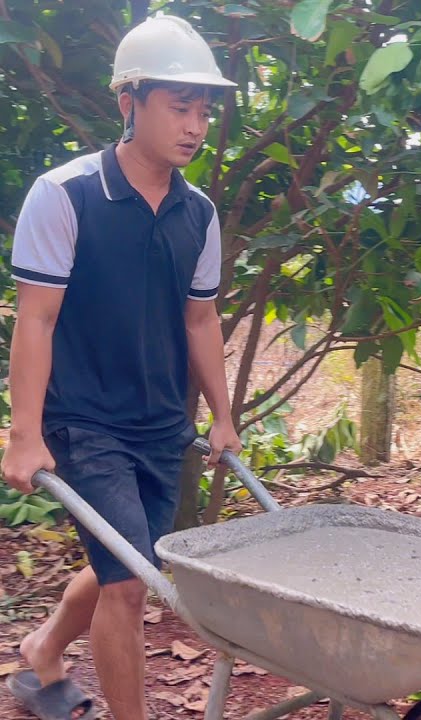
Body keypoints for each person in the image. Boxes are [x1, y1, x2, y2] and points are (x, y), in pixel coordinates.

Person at [2, 14, 242, 720]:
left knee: (131, 559)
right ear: (128, 103)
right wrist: (24, 433)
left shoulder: (198, 214)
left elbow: (200, 319)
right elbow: (36, 319)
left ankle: (44, 650)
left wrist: (224, 418)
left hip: (161, 421)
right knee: (132, 583)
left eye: (203, 110)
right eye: (179, 106)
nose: (195, 125)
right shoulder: (65, 194)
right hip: (83, 419)